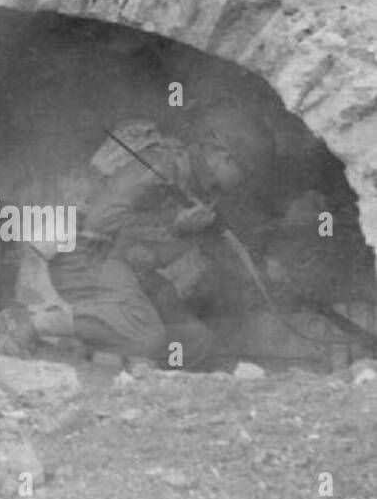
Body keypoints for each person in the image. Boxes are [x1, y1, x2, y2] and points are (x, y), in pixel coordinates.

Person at [30, 117, 263, 367]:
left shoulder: (196, 185)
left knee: (194, 341)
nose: (241, 182)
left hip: (118, 263)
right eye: (244, 172)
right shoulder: (162, 163)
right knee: (147, 335)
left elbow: (151, 249)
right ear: (224, 157)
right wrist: (174, 222)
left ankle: (119, 360)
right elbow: (99, 223)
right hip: (81, 258)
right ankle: (36, 323)